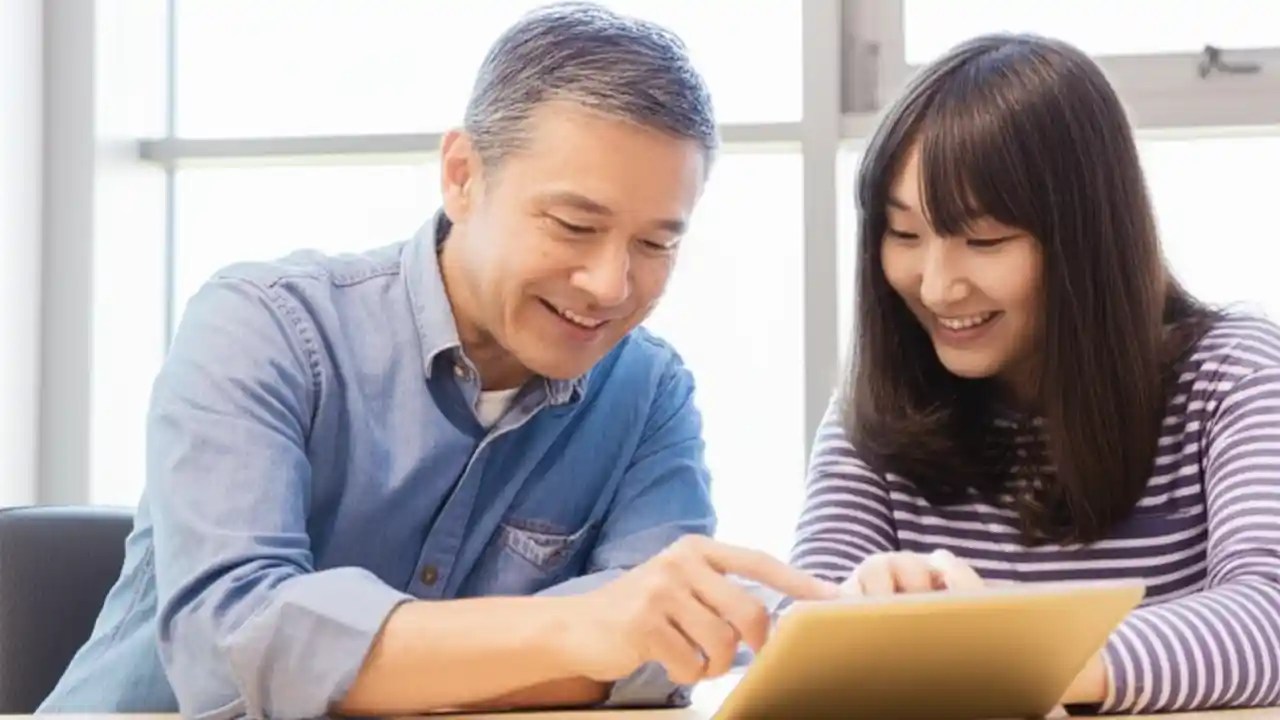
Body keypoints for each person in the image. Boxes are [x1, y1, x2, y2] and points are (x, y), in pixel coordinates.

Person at [42, 4, 837, 717]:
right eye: (571, 224)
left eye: (657, 243)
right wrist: (584, 628)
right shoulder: (264, 326)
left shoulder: (649, 392)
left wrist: (623, 636)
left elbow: (656, 655)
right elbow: (235, 649)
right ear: (463, 175)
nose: (609, 285)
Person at [790, 32, 1280, 715]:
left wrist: (1006, 656)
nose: (935, 287)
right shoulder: (873, 412)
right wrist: (853, 611)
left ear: (1087, 238)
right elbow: (798, 629)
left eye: (984, 241)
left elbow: (1268, 616)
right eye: (904, 236)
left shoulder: (1231, 375)